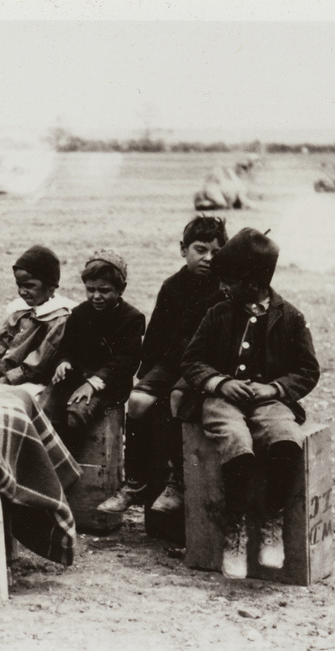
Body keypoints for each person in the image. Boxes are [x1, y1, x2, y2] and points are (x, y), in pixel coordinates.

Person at [180, 228, 320, 579]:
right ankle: (236, 529)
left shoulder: (290, 317)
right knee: (237, 443)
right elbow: (191, 360)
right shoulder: (218, 313)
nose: (223, 287)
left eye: (229, 281)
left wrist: (274, 390)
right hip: (222, 401)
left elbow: (307, 370)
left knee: (287, 439)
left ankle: (273, 519)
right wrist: (220, 382)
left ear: (253, 282)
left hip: (268, 402)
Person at [98, 216, 228, 515]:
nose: (208, 258)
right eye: (200, 250)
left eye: (216, 252)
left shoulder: (224, 292)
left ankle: (177, 481)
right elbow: (155, 339)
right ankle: (135, 482)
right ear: (184, 250)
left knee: (176, 399)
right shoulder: (172, 287)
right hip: (173, 364)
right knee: (139, 400)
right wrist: (148, 377)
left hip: (206, 368)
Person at [39, 250, 145, 453]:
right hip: (76, 378)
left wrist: (92, 383)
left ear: (120, 289)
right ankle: (48, 460)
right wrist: (64, 362)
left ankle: (71, 464)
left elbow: (126, 362)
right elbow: (66, 348)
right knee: (45, 409)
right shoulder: (79, 313)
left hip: (109, 385)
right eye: (90, 290)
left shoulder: (132, 319)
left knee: (75, 415)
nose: (96, 296)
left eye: (104, 290)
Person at [0, 245, 76, 397]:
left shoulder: (58, 318)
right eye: (19, 285)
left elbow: (37, 363)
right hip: (2, 377)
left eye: (29, 286)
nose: (22, 291)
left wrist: (5, 381)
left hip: (32, 382)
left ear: (51, 287)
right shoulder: (19, 311)